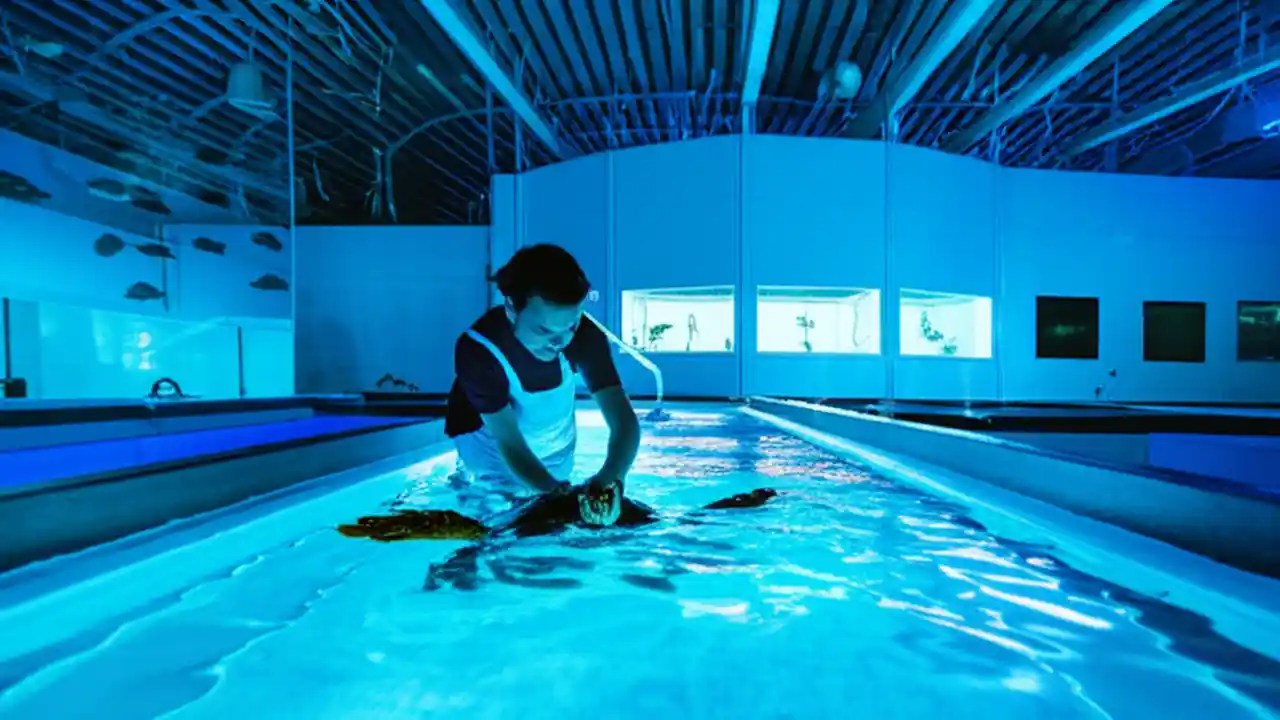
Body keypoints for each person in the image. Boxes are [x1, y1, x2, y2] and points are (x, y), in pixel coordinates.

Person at [445, 243, 640, 525]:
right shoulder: (478, 351)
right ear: (511, 308)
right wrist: (554, 494)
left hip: (552, 443)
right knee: (499, 523)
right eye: (543, 330)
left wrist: (612, 477)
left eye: (570, 326)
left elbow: (624, 422)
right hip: (492, 450)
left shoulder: (585, 335)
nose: (560, 341)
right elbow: (509, 443)